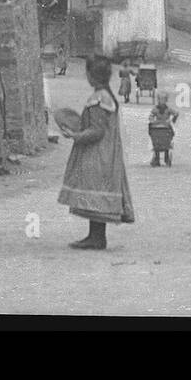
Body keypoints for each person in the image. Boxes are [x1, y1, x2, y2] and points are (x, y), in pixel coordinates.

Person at [58, 55, 135, 249]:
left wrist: (75, 135)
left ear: (92, 76)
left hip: (98, 153)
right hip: (106, 152)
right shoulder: (107, 97)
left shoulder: (99, 99)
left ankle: (97, 237)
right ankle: (95, 235)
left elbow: (96, 131)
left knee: (95, 191)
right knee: (97, 192)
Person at [147, 89, 179, 167]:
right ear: (158, 100)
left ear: (166, 100)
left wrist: (172, 120)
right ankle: (157, 159)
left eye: (163, 100)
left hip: (165, 126)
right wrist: (152, 121)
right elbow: (150, 117)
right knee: (158, 141)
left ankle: (165, 158)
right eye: (161, 99)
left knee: (166, 140)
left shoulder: (168, 109)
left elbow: (176, 113)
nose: (162, 101)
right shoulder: (156, 109)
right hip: (159, 127)